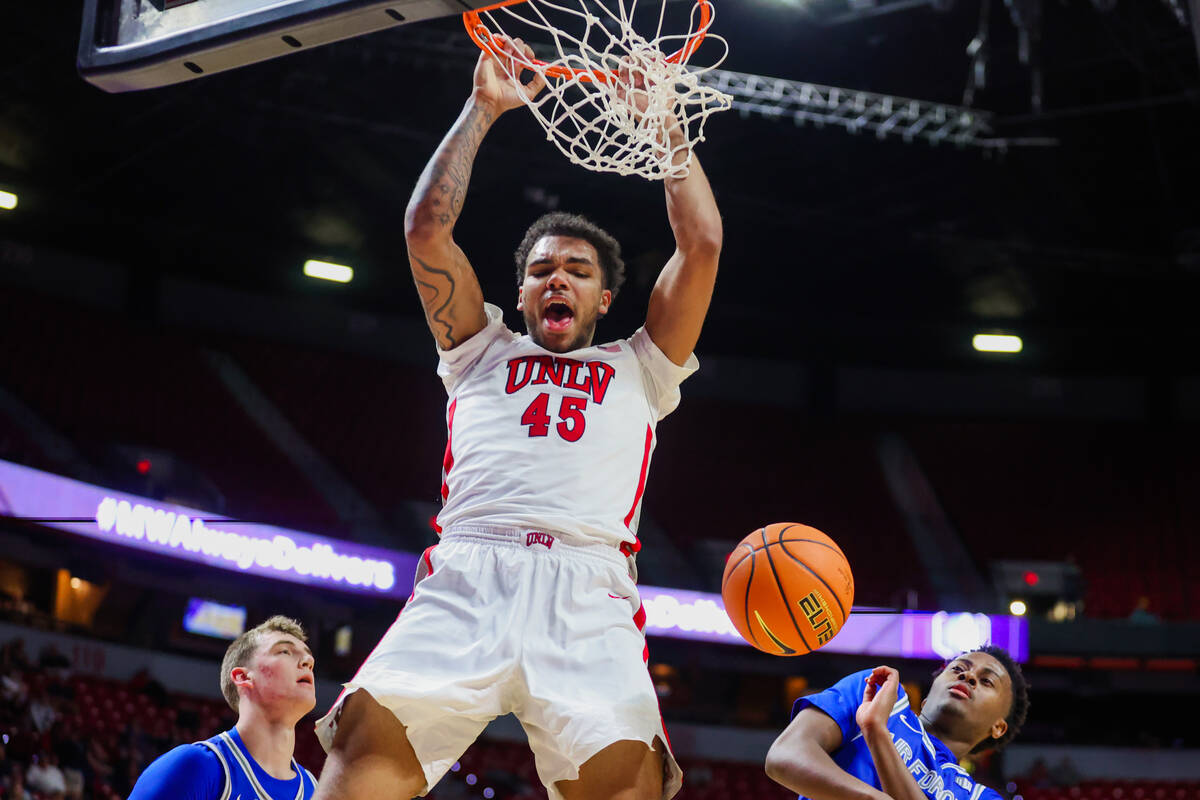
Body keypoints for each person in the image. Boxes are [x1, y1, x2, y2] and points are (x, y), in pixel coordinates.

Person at [313, 34, 722, 800]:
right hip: (467, 575)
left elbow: (700, 245)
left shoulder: (642, 363)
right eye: (540, 269)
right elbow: (425, 231)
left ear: (604, 299)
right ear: (523, 292)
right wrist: (482, 107)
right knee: (351, 780)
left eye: (576, 269)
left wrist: (664, 122)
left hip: (588, 593)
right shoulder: (478, 348)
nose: (556, 276)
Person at [765, 646, 1029, 800]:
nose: (969, 676)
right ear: (926, 699)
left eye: (986, 681)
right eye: (958, 669)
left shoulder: (979, 796)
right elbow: (783, 756)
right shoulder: (876, 693)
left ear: (998, 726)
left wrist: (876, 732)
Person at [128, 616, 318, 800]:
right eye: (285, 651)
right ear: (243, 677)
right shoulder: (196, 766)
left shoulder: (314, 789)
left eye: (308, 654)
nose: (308, 661)